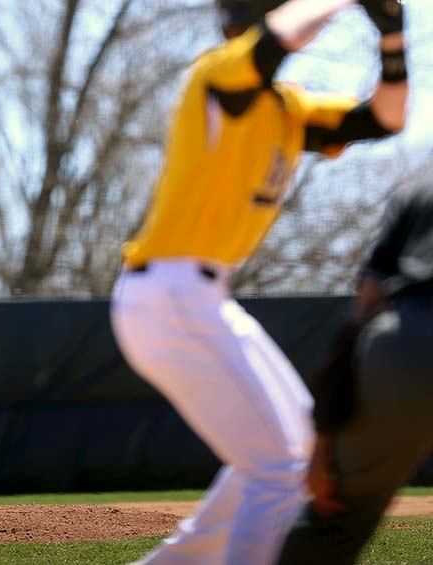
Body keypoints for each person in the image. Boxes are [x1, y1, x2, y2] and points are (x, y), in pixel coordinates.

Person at [109, 0, 408, 562]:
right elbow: (273, 42)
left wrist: (392, 39)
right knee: (281, 467)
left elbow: (386, 119)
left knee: (288, 454)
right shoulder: (218, 73)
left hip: (197, 296)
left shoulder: (290, 109)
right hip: (169, 294)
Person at [278, 182, 433, 564]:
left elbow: (366, 303)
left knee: (337, 517)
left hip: (406, 345)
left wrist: (323, 436)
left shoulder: (419, 193)